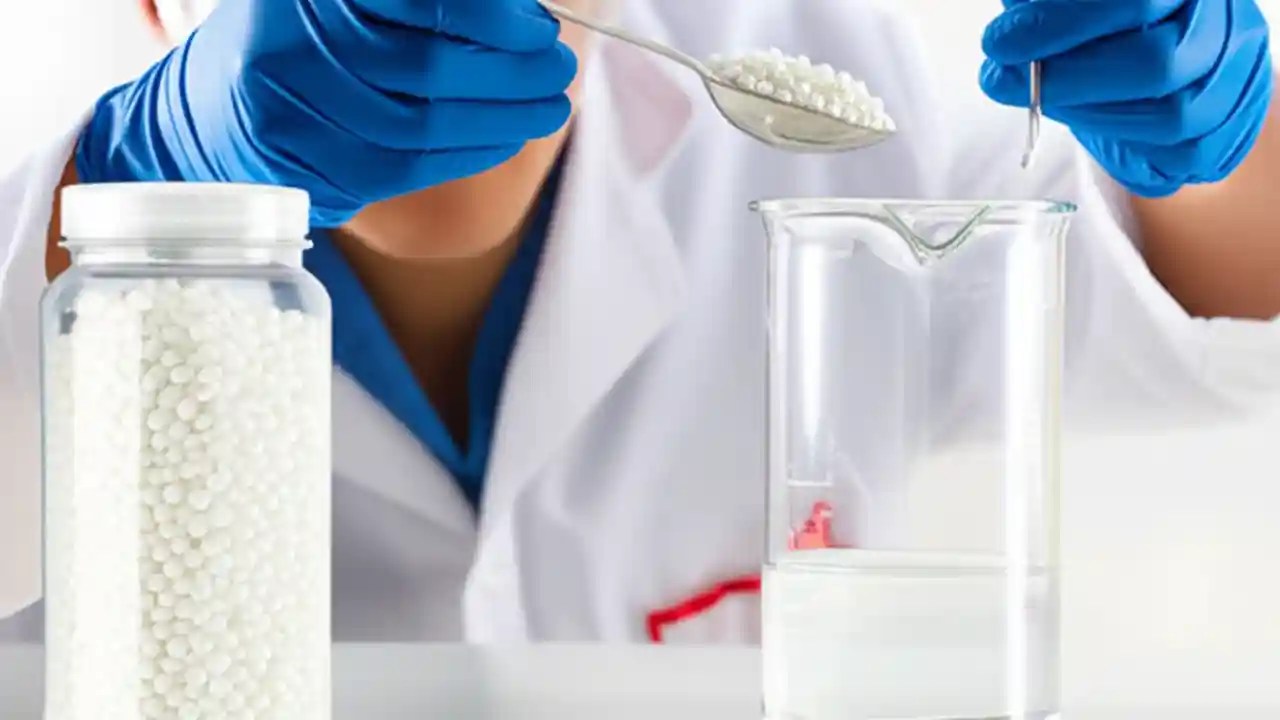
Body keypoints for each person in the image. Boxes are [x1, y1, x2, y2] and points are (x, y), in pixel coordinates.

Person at [0, 0, 1276, 643]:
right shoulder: (45, 154)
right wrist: (130, 191)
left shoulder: (804, 90)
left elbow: (1196, 291)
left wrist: (1215, 126)